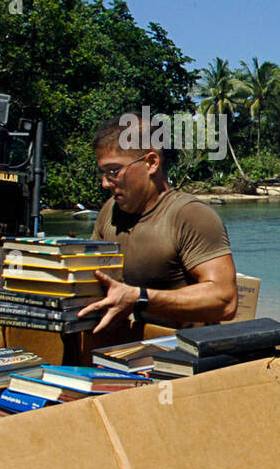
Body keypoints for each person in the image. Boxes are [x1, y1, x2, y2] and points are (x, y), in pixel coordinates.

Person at [81, 116, 238, 331]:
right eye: (103, 172)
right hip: (118, 352)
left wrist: (140, 298)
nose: (105, 183)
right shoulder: (109, 211)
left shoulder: (190, 215)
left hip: (180, 355)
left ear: (151, 163)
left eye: (114, 171)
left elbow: (225, 301)